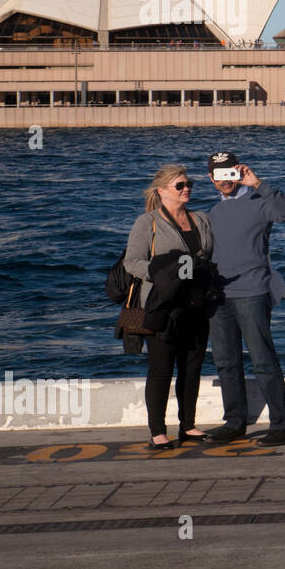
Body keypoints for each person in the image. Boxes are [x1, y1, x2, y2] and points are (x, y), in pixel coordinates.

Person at [202, 152, 285, 448]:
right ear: (211, 178)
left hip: (252, 292)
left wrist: (259, 184)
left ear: (238, 171)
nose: (225, 180)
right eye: (218, 175)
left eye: (230, 173)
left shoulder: (259, 203)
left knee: (263, 361)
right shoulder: (211, 214)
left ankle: (283, 425)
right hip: (218, 297)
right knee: (226, 363)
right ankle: (235, 423)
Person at [124, 165, 215, 450]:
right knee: (161, 368)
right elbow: (132, 262)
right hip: (161, 305)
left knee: (192, 366)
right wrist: (164, 273)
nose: (186, 189)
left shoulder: (200, 219)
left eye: (189, 184)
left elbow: (207, 255)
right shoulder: (147, 222)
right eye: (179, 185)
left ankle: (187, 425)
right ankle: (157, 431)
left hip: (195, 303)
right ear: (162, 191)